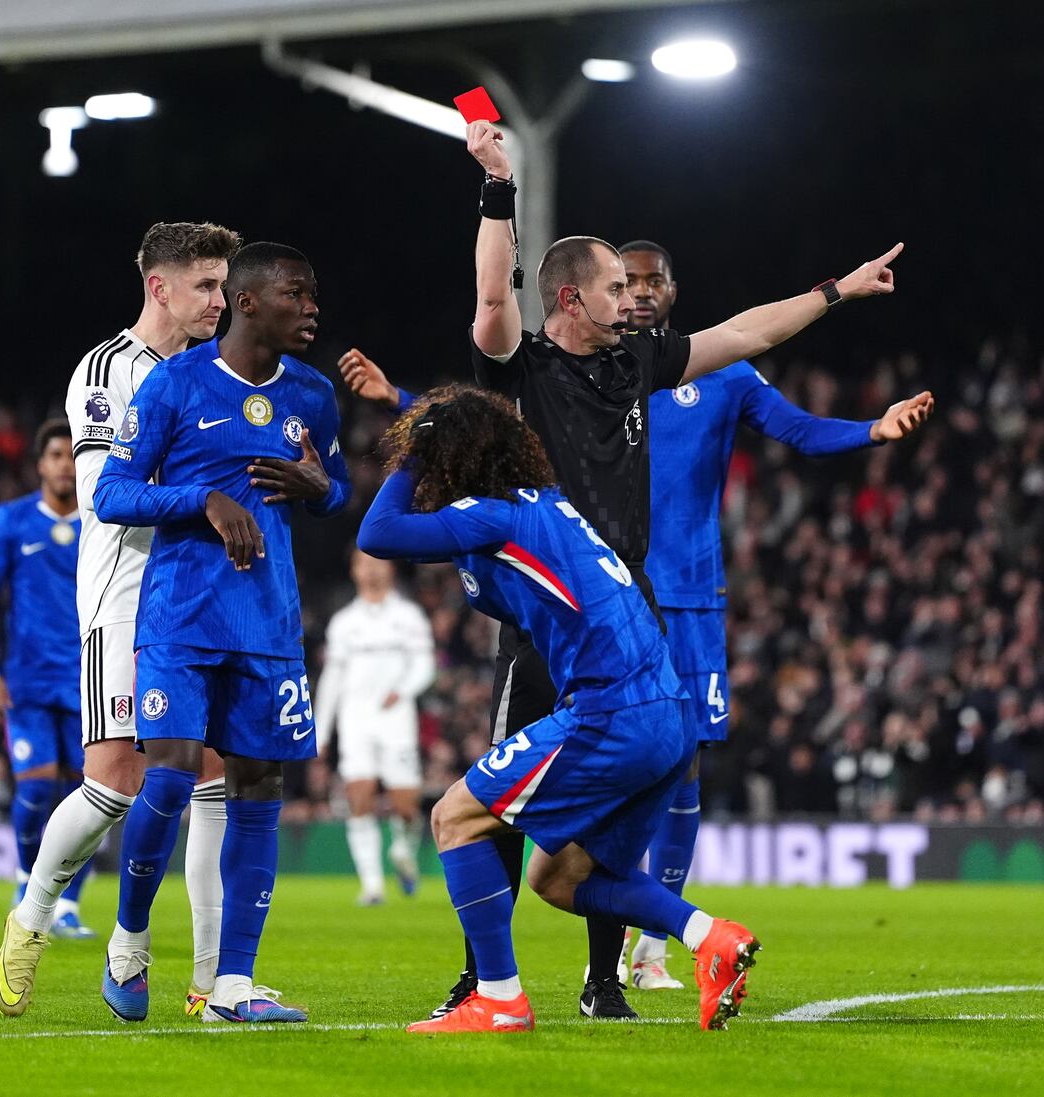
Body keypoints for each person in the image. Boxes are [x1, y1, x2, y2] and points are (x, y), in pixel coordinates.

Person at [341, 117, 906, 1021]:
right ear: (569, 297)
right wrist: (498, 186)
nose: (634, 298)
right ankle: (480, 973)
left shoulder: (635, 361)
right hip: (540, 615)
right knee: (499, 801)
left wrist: (835, 292)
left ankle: (600, 981)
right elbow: (492, 296)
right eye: (615, 286)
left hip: (621, 601)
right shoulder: (521, 367)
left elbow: (748, 332)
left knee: (575, 813)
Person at [358, 385, 758, 1034]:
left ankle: (498, 995)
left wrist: (414, 452)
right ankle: (712, 936)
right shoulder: (551, 505)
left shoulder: (493, 515)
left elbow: (377, 533)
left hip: (611, 714)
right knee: (560, 876)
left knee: (453, 817)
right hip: (668, 715)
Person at [621, 240, 933, 989]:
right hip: (613, 593)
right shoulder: (590, 376)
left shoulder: (722, 374)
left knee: (684, 764)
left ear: (673, 289)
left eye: (650, 281)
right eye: (623, 283)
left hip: (692, 596)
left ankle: (651, 950)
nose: (636, 294)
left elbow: (797, 428)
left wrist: (870, 430)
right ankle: (606, 939)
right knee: (624, 762)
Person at [93, 241, 352, 1023]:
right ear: (247, 302)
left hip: (268, 622)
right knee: (168, 775)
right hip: (179, 615)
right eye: (297, 294)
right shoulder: (175, 384)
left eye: (313, 295)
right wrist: (202, 498)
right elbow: (111, 492)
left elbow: (333, 494)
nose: (312, 309)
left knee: (258, 788)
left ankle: (230, 986)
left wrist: (323, 489)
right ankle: (129, 940)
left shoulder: (312, 392)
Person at [0, 222, 241, 1019]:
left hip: (202, 594)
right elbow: (108, 490)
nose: (220, 299)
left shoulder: (219, 367)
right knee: (115, 780)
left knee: (212, 777)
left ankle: (209, 981)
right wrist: (203, 490)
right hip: (125, 593)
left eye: (224, 284)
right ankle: (29, 921)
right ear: (159, 287)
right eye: (205, 284)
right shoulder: (107, 371)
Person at [0, 419, 98, 933]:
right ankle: (30, 879)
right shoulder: (12, 520)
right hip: (27, 682)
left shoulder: (101, 520)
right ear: (40, 464)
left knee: (94, 798)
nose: (65, 463)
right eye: (54, 455)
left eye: (73, 454)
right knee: (35, 789)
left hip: (90, 676)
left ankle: (66, 904)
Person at [315, 550, 436, 904]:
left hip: (396, 717)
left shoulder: (408, 616)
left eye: (375, 562)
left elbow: (425, 664)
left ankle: (403, 851)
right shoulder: (344, 623)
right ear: (353, 571)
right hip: (356, 720)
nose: (369, 569)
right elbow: (332, 681)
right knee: (359, 795)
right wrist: (322, 732)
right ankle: (372, 887)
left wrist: (403, 691)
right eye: (361, 563)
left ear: (390, 567)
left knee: (405, 805)